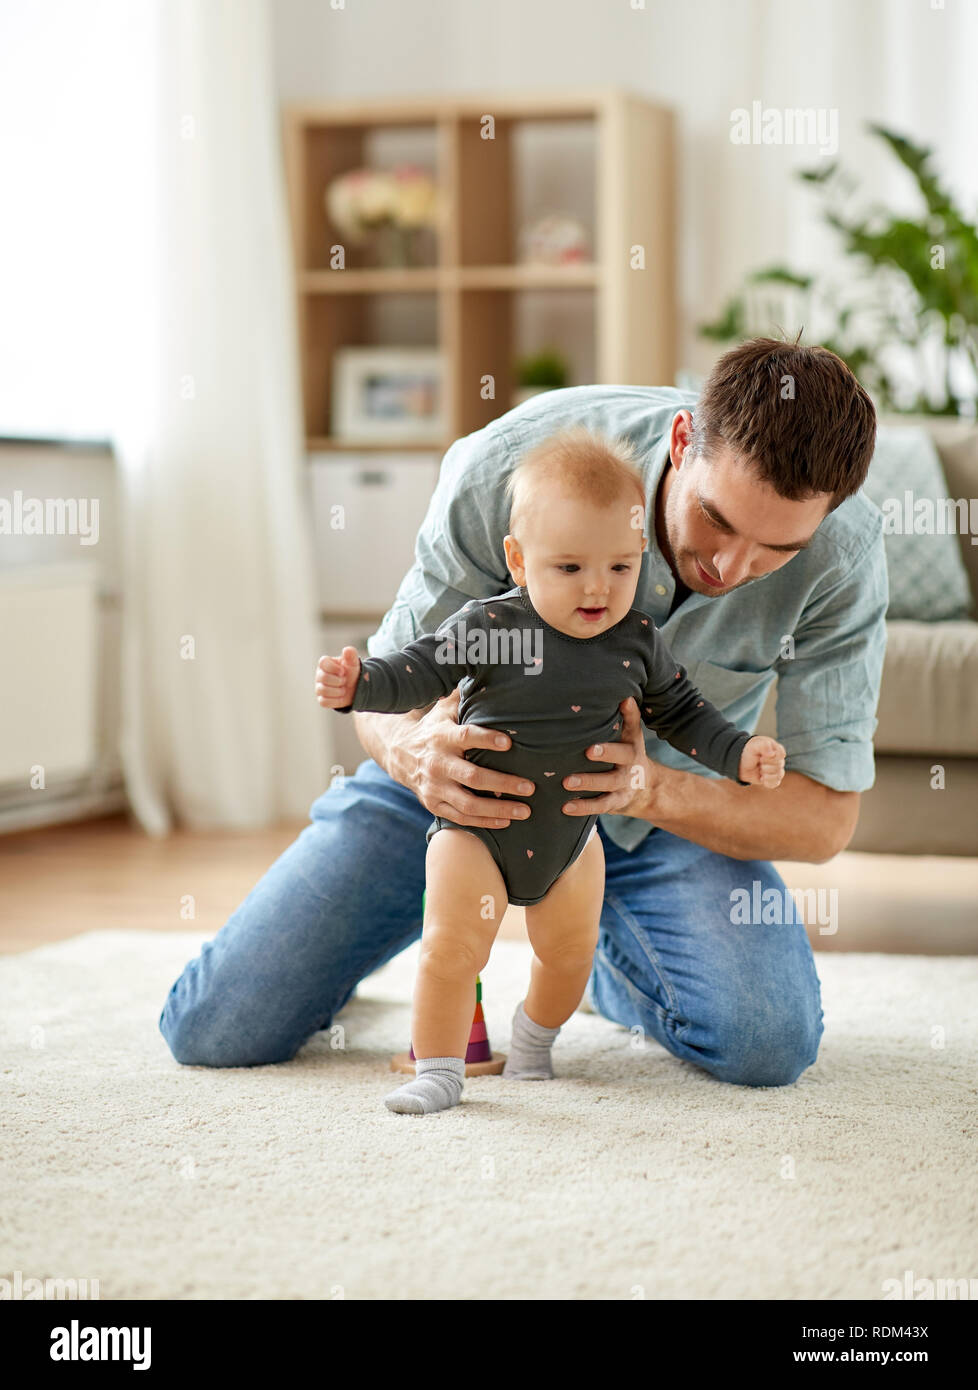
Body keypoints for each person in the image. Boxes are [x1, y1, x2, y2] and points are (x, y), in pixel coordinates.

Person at [158, 336, 887, 1093]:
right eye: (716, 520)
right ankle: (393, 954)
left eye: (777, 549)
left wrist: (649, 790)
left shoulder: (844, 552)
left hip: (654, 819)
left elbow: (824, 822)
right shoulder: (509, 467)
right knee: (219, 1026)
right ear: (681, 441)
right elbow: (389, 691)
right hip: (461, 793)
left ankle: (602, 959)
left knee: (765, 1042)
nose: (731, 568)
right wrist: (416, 754)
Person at [315, 427, 786, 1113]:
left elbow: (683, 713)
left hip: (571, 839)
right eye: (569, 569)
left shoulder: (637, 643)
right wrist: (361, 684)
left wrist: (739, 752)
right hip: (475, 829)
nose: (598, 588)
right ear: (518, 559)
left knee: (567, 955)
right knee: (451, 950)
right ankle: (441, 1072)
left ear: (638, 555)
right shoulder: (487, 627)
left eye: (620, 569)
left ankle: (534, 1042)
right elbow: (414, 672)